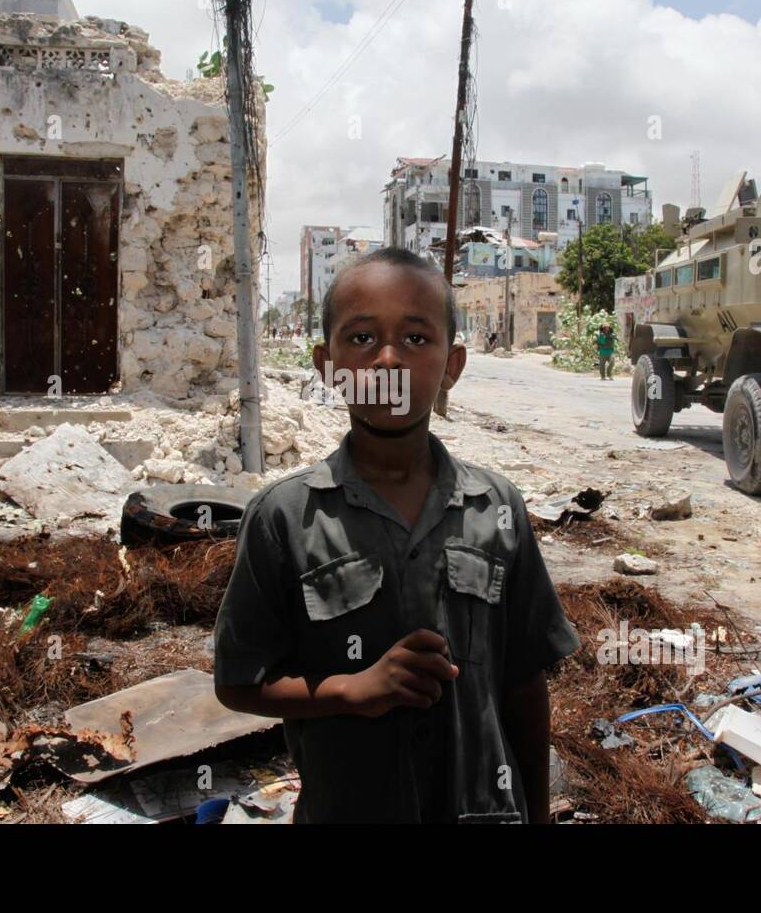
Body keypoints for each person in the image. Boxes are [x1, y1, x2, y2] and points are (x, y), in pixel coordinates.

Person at [213, 247, 580, 823]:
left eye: (415, 339)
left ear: (452, 364)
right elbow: (238, 682)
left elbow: (525, 684)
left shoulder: (498, 508)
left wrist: (536, 815)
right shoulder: (284, 517)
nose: (387, 361)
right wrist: (349, 691)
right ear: (325, 364)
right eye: (361, 339)